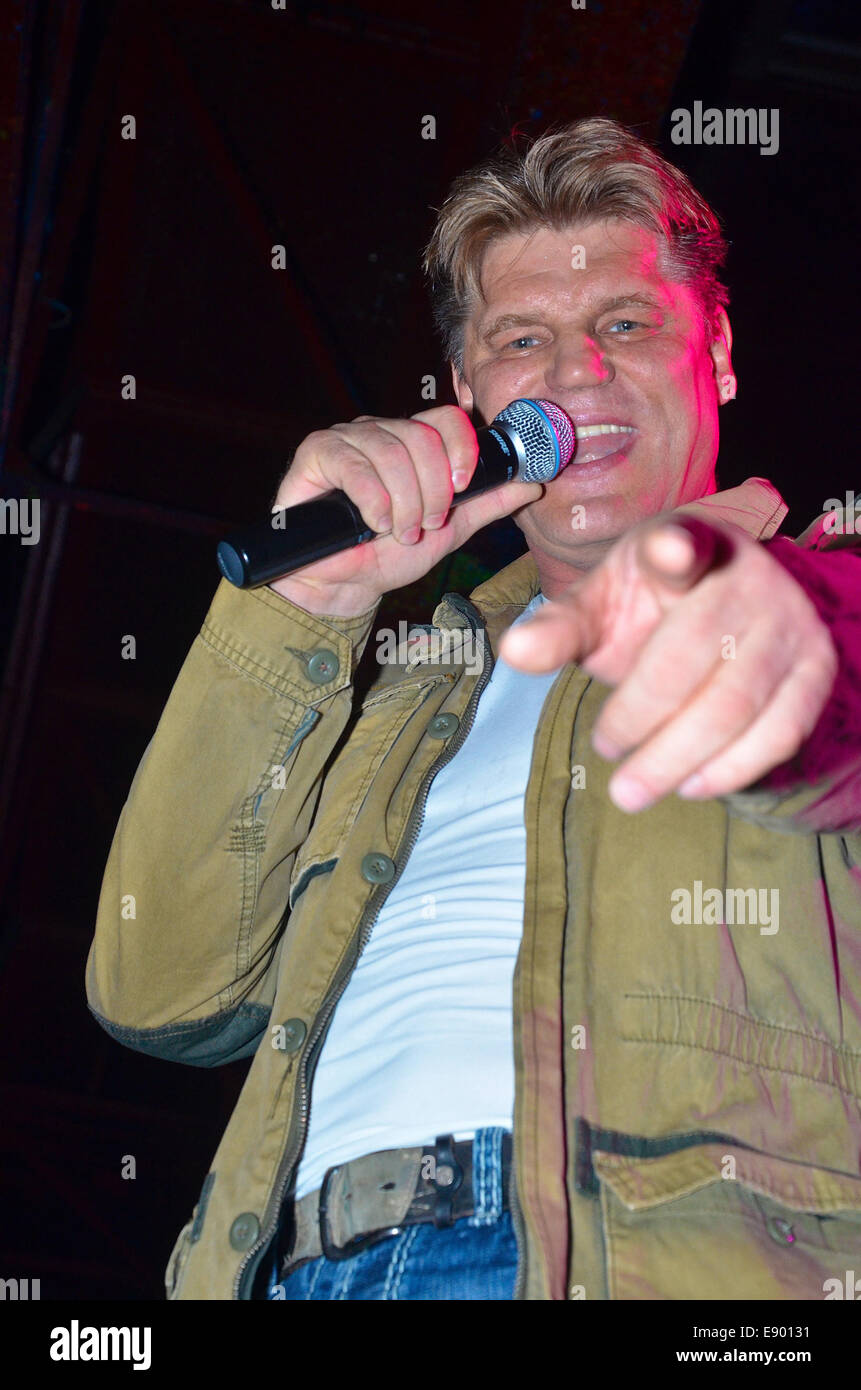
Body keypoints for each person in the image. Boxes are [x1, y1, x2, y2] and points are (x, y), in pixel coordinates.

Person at [86, 118, 861, 1301]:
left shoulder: (826, 594)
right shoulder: (402, 695)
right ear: (469, 394)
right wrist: (300, 613)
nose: (576, 372)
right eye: (523, 339)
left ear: (719, 355)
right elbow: (160, 989)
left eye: (626, 324)